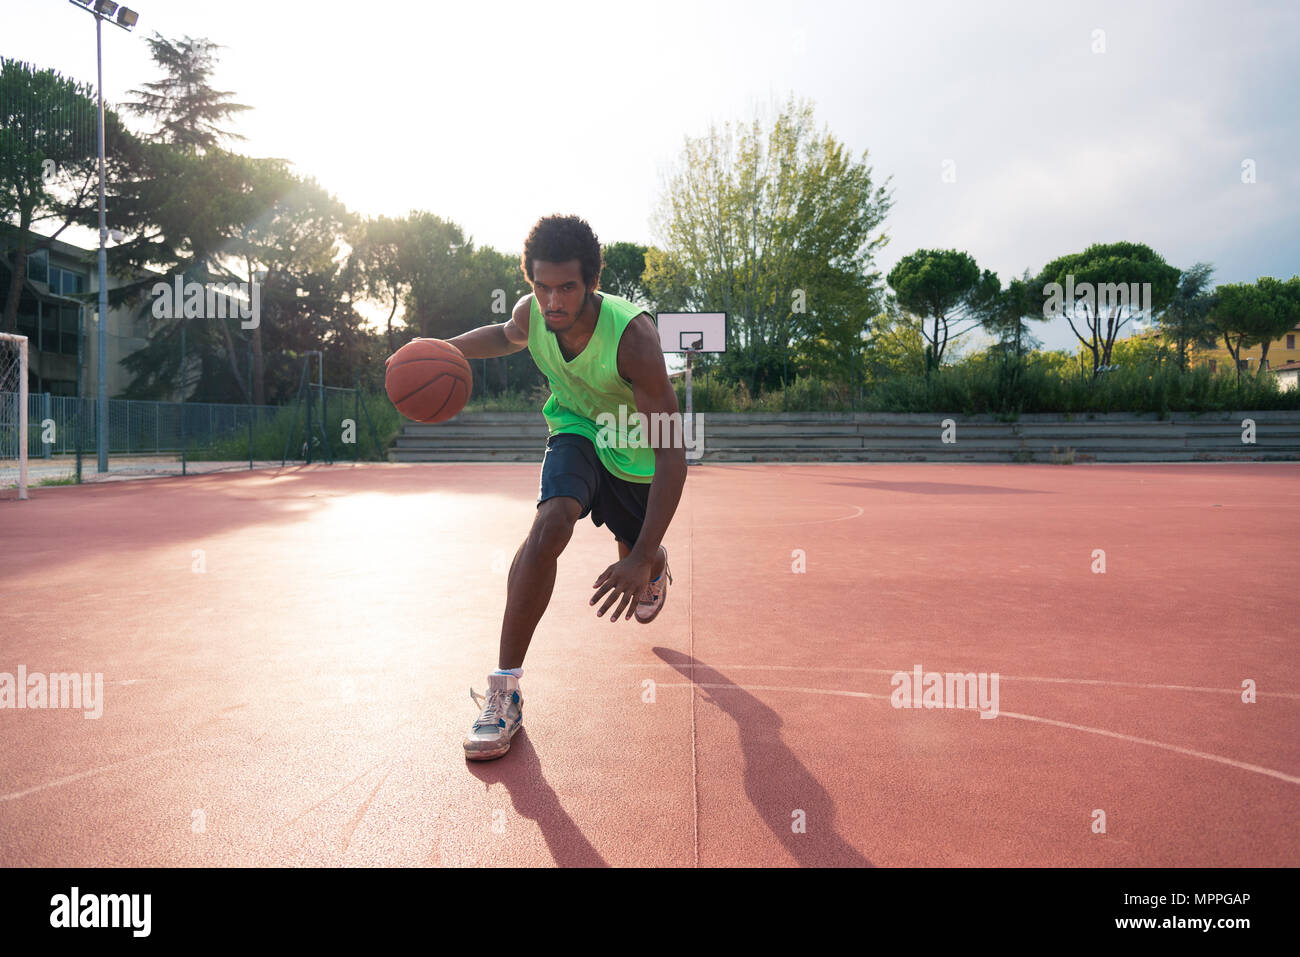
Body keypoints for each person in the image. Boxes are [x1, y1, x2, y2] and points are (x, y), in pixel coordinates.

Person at [444, 214, 687, 760]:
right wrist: (443, 349)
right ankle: (503, 691)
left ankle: (651, 556)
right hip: (576, 432)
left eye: (567, 288)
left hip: (636, 455)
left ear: (591, 282)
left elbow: (673, 453)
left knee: (638, 550)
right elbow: (505, 335)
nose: (552, 301)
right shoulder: (530, 315)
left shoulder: (635, 340)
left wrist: (642, 554)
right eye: (542, 286)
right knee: (551, 522)